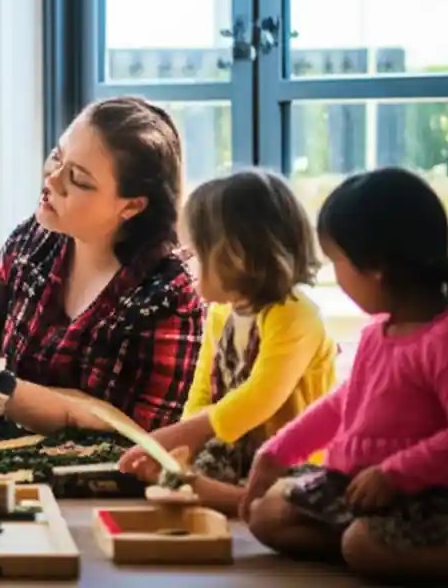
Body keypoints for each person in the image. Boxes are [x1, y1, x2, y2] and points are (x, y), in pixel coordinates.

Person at [0, 96, 204, 434]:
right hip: (9, 443)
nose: (52, 180)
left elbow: (130, 429)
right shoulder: (38, 237)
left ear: (131, 206)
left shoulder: (168, 295)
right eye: (57, 156)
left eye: (79, 179)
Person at [240, 167, 448, 583]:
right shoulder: (377, 334)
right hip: (357, 486)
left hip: (426, 494)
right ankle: (366, 543)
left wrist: (395, 473)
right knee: (268, 515)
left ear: (376, 267)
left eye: (337, 260)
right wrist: (278, 452)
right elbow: (343, 403)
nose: (336, 275)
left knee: (362, 546)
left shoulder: (442, 340)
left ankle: (377, 546)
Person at [117, 169, 337, 515]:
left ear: (241, 257)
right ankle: (211, 489)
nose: (188, 265)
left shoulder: (295, 315)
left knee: (287, 496)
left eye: (198, 255)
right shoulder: (222, 316)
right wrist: (181, 446)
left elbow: (259, 398)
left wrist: (183, 433)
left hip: (288, 458)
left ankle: (233, 499)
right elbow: (202, 391)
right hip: (236, 451)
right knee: (177, 466)